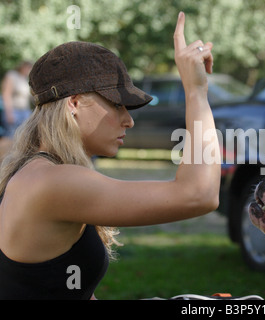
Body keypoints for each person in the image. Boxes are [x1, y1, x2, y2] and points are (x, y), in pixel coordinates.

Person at [0, 12, 220, 300]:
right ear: (75, 103)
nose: (128, 120)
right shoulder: (53, 182)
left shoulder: (38, 170)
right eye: (117, 105)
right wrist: (196, 91)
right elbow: (199, 195)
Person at [1, 61, 33, 138]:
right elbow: (6, 94)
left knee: (23, 136)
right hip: (14, 111)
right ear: (23, 67)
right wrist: (9, 113)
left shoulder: (25, 79)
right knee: (11, 136)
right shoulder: (12, 75)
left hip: (25, 111)